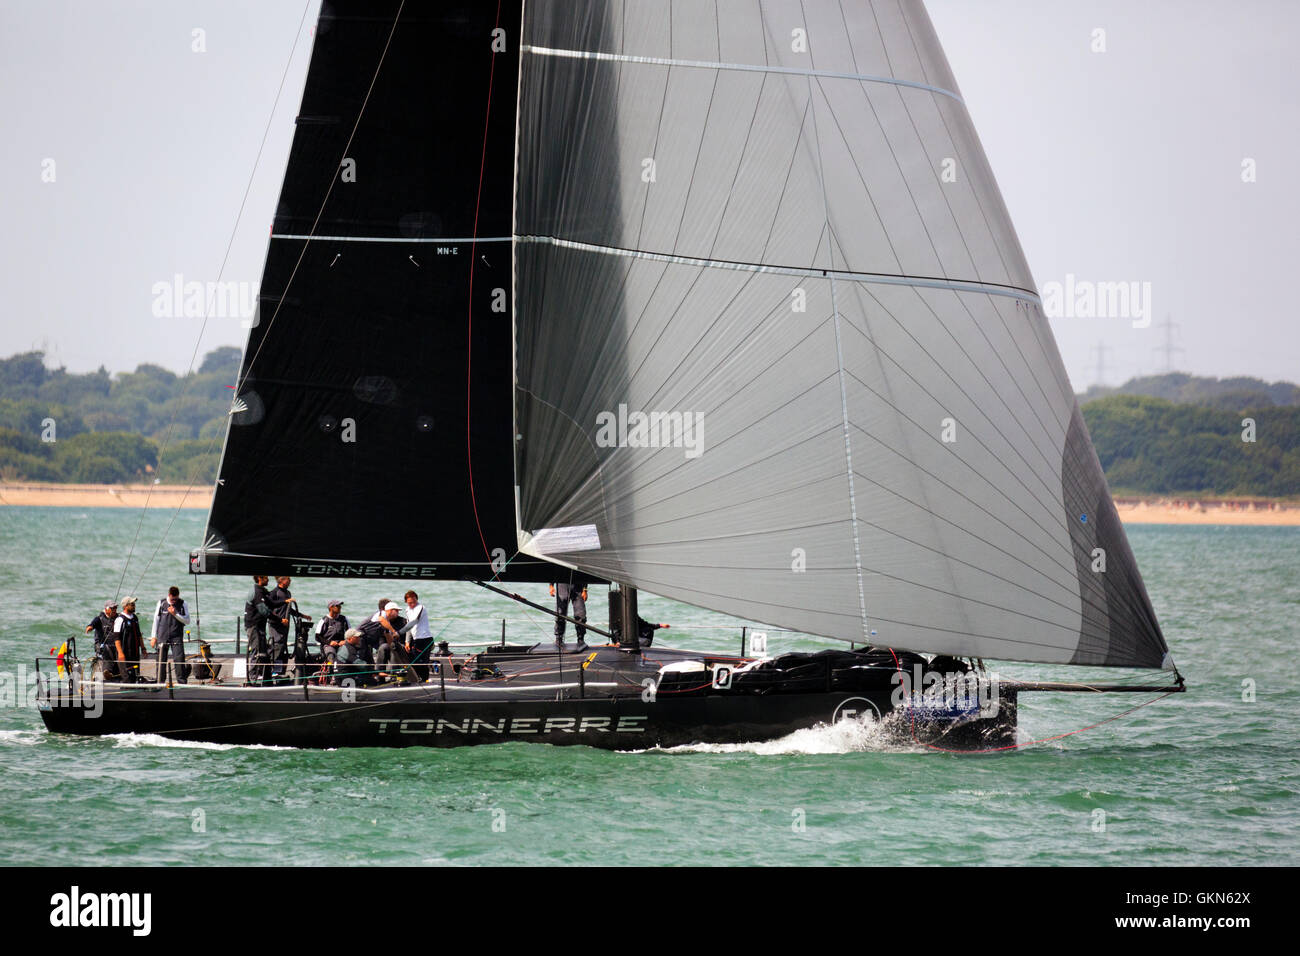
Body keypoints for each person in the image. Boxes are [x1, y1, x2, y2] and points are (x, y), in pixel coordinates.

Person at [150, 586, 190, 684]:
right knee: (161, 659)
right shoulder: (161, 603)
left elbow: (187, 621)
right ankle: (160, 682)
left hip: (176, 636)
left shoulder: (183, 604)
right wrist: (153, 636)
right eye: (172, 599)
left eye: (176, 599)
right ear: (169, 595)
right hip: (162, 636)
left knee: (179, 659)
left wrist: (175, 614)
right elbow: (156, 620)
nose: (174, 601)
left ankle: (182, 682)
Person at [244, 575, 272, 684]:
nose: (268, 579)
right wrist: (279, 619)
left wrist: (284, 602)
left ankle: (264, 675)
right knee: (256, 650)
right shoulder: (256, 592)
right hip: (253, 626)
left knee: (263, 651)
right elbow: (264, 611)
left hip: (260, 626)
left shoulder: (263, 591)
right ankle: (252, 677)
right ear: (260, 578)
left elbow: (272, 603)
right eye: (266, 578)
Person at [267, 576, 296, 677]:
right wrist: (279, 620)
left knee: (282, 647)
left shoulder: (288, 593)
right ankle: (271, 670)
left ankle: (278, 671)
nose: (290, 581)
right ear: (282, 580)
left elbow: (289, 609)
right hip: (275, 624)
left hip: (285, 625)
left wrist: (302, 615)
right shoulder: (274, 592)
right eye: (288, 579)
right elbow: (268, 608)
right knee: (276, 645)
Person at [110, 596, 144, 682]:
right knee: (127, 678)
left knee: (135, 677)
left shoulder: (135, 618)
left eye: (134, 604)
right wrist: (120, 653)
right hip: (125, 654)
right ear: (125, 606)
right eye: (132, 604)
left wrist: (143, 648)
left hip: (135, 654)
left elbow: (139, 635)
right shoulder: (120, 619)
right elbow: (116, 638)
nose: (134, 606)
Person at [398, 591, 432, 673]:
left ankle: (424, 680)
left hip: (424, 639)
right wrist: (407, 641)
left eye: (414, 602)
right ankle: (417, 679)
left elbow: (414, 622)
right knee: (414, 661)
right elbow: (409, 626)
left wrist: (398, 633)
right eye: (410, 603)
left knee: (423, 663)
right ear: (406, 602)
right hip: (415, 639)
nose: (412, 604)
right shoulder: (407, 610)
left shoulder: (421, 607)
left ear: (417, 600)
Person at [85, 600, 118, 673]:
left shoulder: (118, 618)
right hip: (102, 646)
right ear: (106, 609)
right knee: (107, 649)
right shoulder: (99, 619)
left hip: (115, 645)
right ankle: (107, 671)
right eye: (112, 608)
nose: (114, 610)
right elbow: (92, 624)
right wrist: (90, 627)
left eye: (115, 608)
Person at [314, 599, 349, 665]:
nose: (340, 608)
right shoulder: (324, 620)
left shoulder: (344, 619)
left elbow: (350, 634)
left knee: (347, 654)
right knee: (331, 655)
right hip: (328, 645)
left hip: (341, 644)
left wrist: (345, 641)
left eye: (340, 606)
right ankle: (332, 670)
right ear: (331, 608)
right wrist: (329, 642)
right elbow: (317, 636)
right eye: (337, 606)